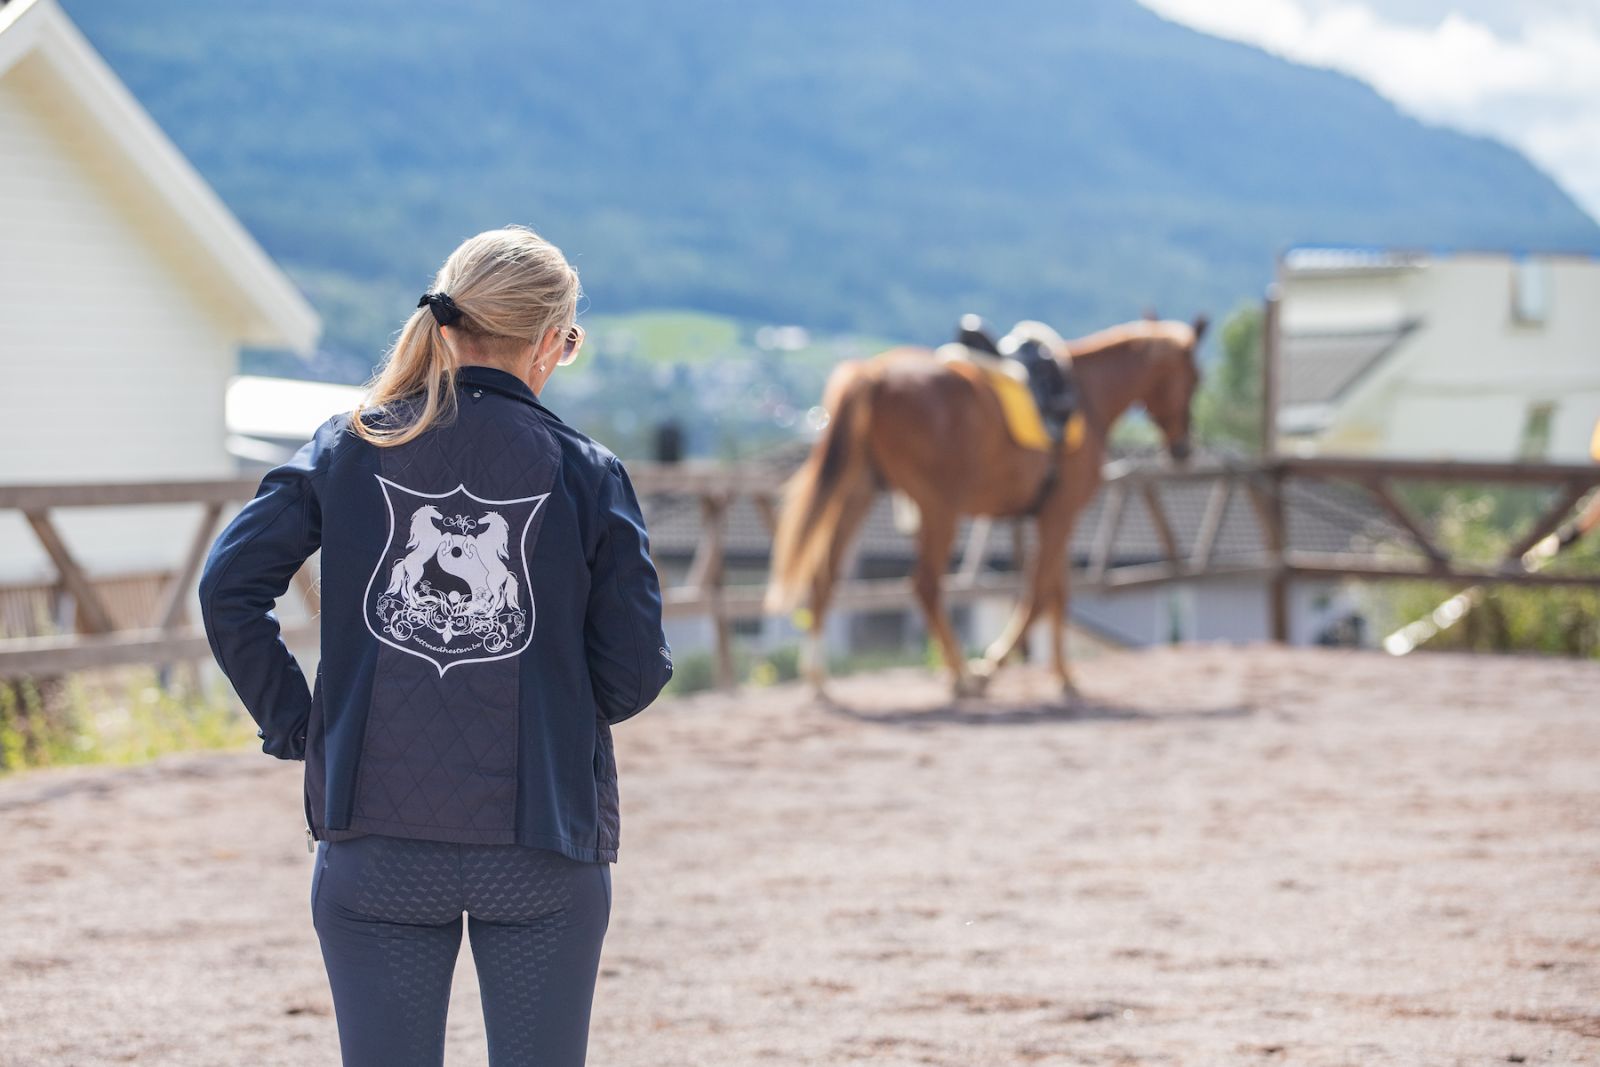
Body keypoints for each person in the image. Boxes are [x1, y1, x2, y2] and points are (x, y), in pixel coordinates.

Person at [198, 224, 673, 1066]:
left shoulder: (352, 445)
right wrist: (555, 702)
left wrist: (303, 728)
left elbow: (227, 588)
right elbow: (634, 671)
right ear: (554, 345)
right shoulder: (587, 471)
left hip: (373, 842)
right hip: (542, 845)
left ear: (445, 324)